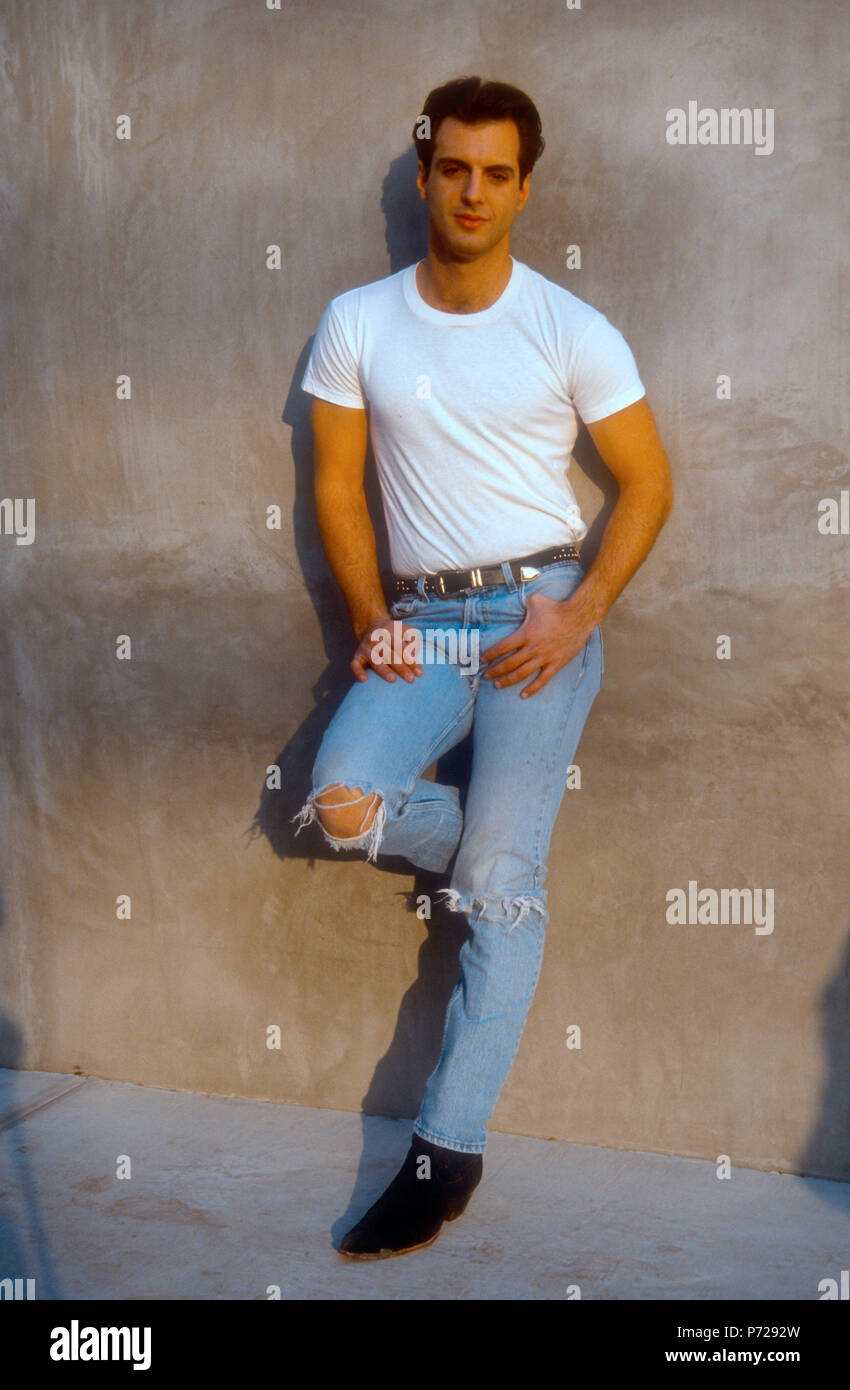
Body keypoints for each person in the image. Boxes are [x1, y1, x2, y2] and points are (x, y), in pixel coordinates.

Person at [293, 75, 673, 1259]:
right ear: (424, 175)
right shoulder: (358, 318)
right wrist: (371, 616)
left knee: (499, 895)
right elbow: (334, 486)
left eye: (496, 173)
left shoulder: (572, 328)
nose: (471, 190)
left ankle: (441, 1151)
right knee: (340, 805)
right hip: (422, 620)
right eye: (452, 167)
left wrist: (580, 610)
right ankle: (500, 849)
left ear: (523, 186)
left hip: (540, 615)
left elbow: (648, 484)